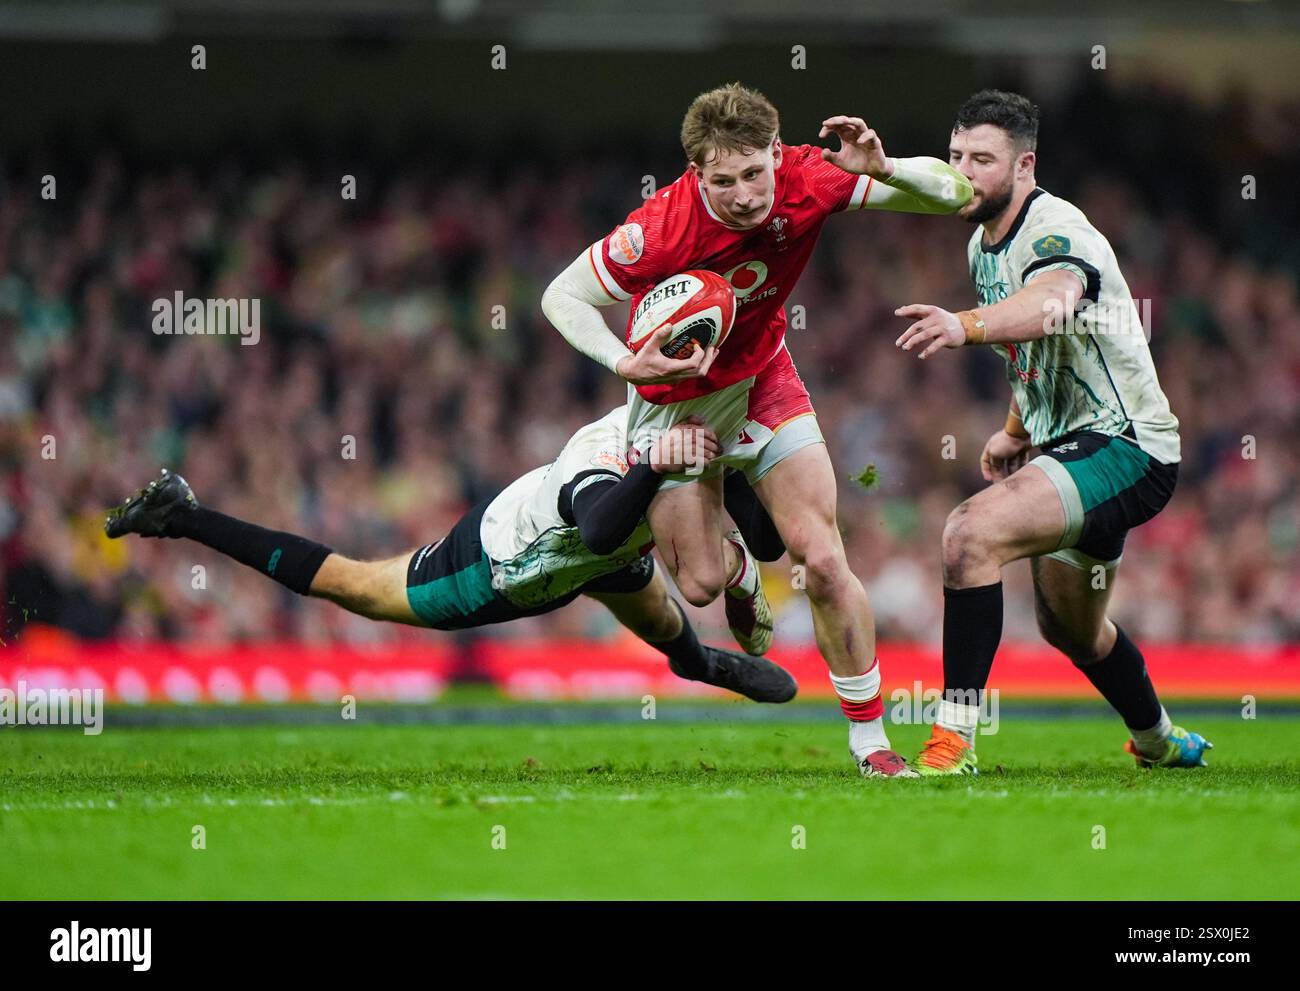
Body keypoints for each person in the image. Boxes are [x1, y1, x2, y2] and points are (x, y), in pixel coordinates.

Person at [541, 81, 971, 777]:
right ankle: (740, 565)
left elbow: (954, 193)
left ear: (777, 152)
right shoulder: (664, 226)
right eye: (722, 180)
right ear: (695, 175)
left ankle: (871, 744)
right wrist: (623, 358)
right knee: (703, 585)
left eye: (753, 173)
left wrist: (885, 168)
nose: (743, 193)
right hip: (677, 404)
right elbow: (561, 294)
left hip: (764, 380)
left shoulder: (810, 176)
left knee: (823, 559)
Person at [892, 89, 1211, 773]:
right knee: (1070, 628)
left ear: (1025, 164)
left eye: (982, 159)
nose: (963, 172)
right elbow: (1033, 356)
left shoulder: (1056, 226)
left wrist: (963, 325)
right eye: (956, 157)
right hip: (1073, 445)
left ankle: (952, 741)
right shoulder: (983, 241)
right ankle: (1159, 741)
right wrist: (1014, 428)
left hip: (1127, 445)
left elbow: (1053, 304)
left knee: (967, 534)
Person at [104, 412, 796, 704]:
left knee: (668, 628)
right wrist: (655, 464)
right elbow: (596, 531)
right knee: (355, 586)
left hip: (603, 553)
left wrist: (741, 471)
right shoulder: (607, 455)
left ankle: (706, 666)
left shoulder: (696, 426)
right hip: (513, 559)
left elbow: (767, 544)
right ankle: (183, 514)